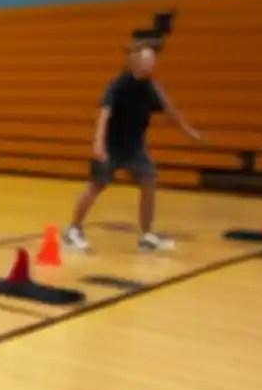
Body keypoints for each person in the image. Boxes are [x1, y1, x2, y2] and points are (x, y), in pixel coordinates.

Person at [62, 44, 201, 252]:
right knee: (96, 186)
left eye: (152, 59)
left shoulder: (150, 88)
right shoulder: (120, 84)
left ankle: (147, 235)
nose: (151, 63)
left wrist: (188, 131)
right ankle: (73, 229)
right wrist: (98, 142)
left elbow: (169, 110)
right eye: (147, 59)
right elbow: (104, 113)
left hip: (134, 148)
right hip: (111, 145)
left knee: (149, 180)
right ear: (135, 62)